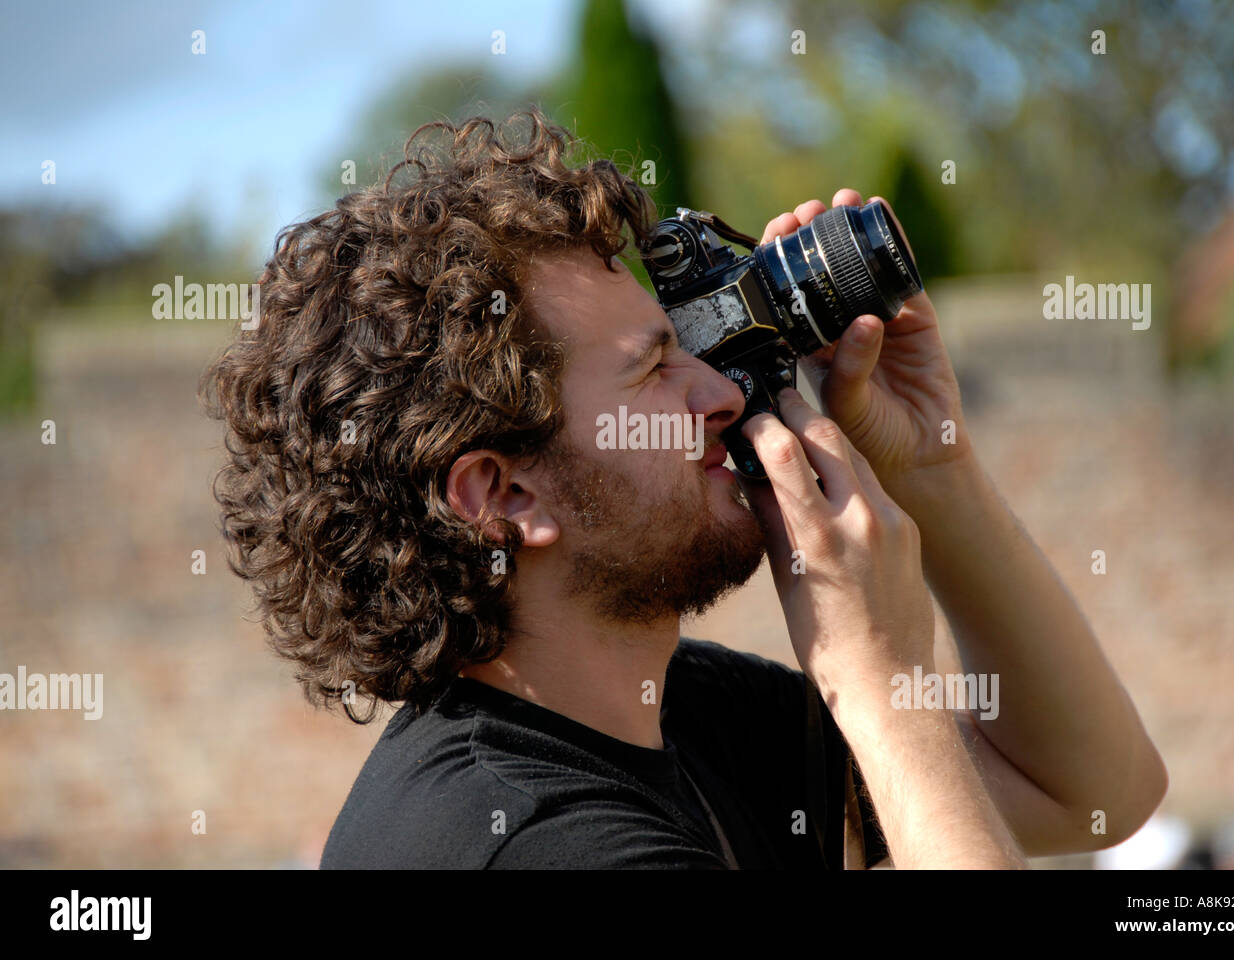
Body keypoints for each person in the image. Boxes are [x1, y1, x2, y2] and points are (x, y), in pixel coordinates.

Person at [200, 106, 1168, 869]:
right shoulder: (523, 840)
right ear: (502, 496)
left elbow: (1093, 789)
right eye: (653, 370)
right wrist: (882, 690)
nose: (719, 391)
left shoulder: (679, 712)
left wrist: (931, 471)